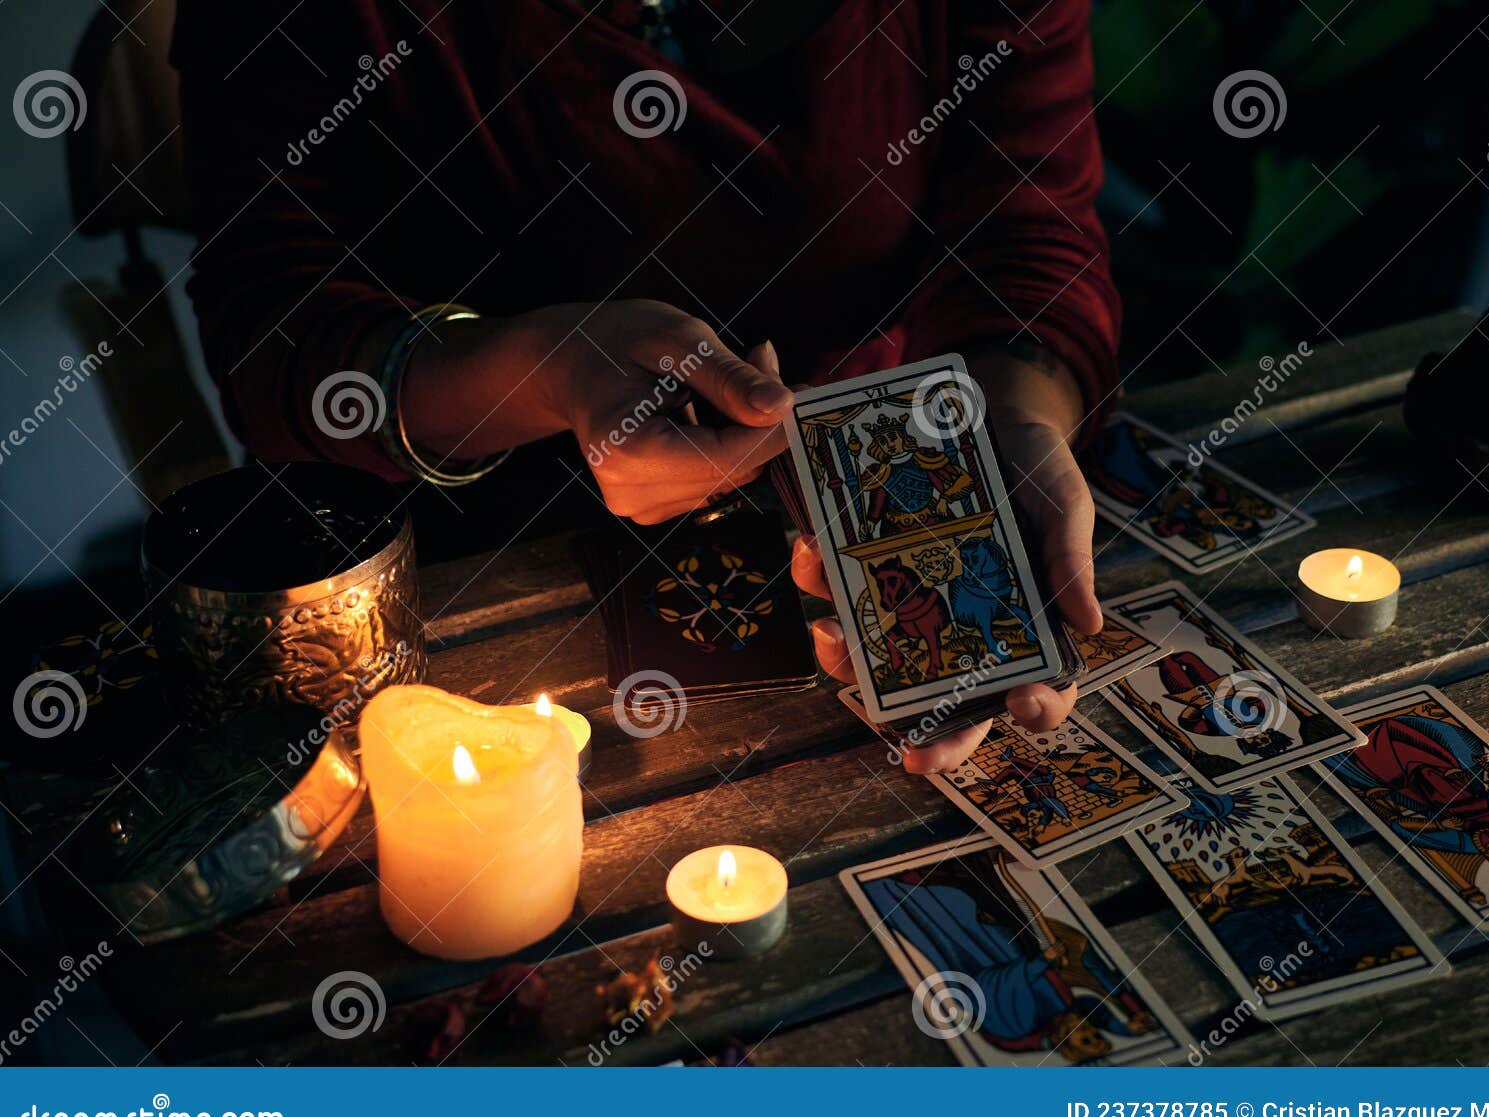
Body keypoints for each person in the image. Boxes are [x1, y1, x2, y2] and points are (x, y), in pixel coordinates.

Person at [173, 0, 1121, 772]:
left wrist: (1006, 424)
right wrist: (535, 374)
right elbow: (273, 325)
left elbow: (1026, 223)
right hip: (491, 615)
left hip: (883, 517)